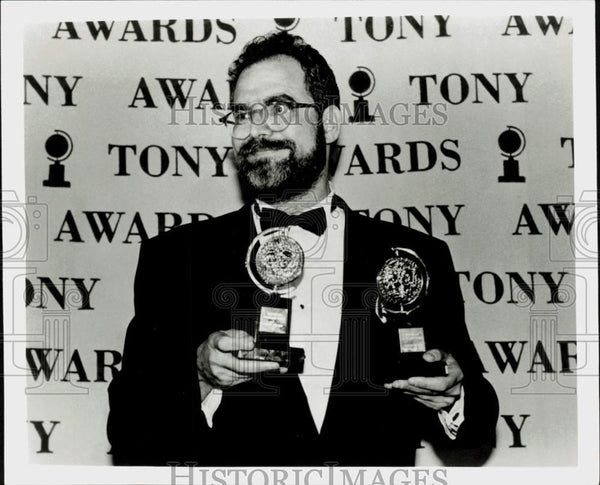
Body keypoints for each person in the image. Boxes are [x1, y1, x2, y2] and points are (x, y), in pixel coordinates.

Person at [107, 31, 498, 467]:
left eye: (279, 108)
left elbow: (479, 419)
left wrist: (452, 396)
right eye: (241, 114)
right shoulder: (176, 259)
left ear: (329, 122)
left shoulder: (414, 257)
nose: (256, 129)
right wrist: (198, 376)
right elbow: (128, 432)